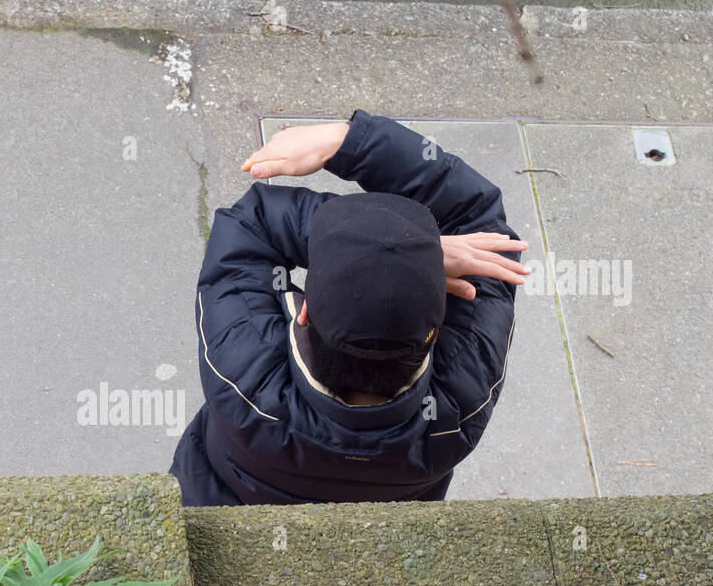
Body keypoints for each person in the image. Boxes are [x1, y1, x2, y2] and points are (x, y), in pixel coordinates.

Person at [170, 110, 529, 506]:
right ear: (437, 334)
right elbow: (485, 232)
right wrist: (412, 253)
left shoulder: (242, 378)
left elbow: (250, 226)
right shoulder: (462, 402)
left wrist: (346, 141)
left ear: (304, 314)